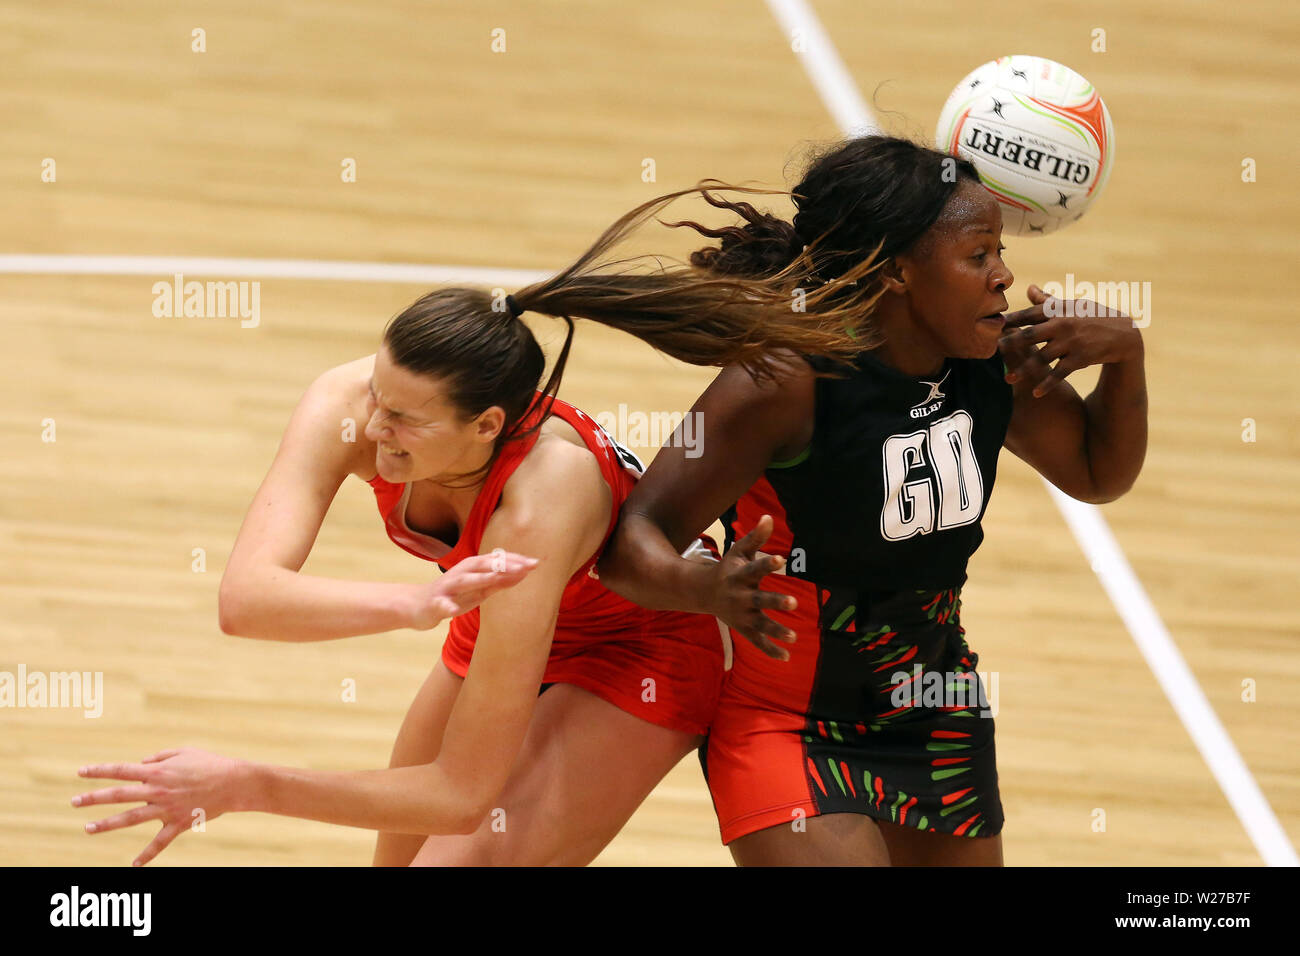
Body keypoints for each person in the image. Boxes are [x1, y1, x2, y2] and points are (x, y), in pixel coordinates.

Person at [71, 185, 879, 866]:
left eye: (404, 421)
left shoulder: (542, 495)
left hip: (644, 646)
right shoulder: (353, 403)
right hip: (496, 617)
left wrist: (247, 784)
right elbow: (244, 601)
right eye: (376, 400)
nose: (372, 428)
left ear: (488, 425)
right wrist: (415, 606)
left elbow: (461, 796)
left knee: (466, 855)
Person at [597, 135, 1148, 866]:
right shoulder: (785, 381)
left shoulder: (991, 366)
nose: (1004, 275)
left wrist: (1126, 359)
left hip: (936, 708)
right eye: (978, 254)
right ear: (897, 273)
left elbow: (1094, 472)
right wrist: (696, 585)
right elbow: (634, 534)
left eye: (998, 252)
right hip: (788, 721)